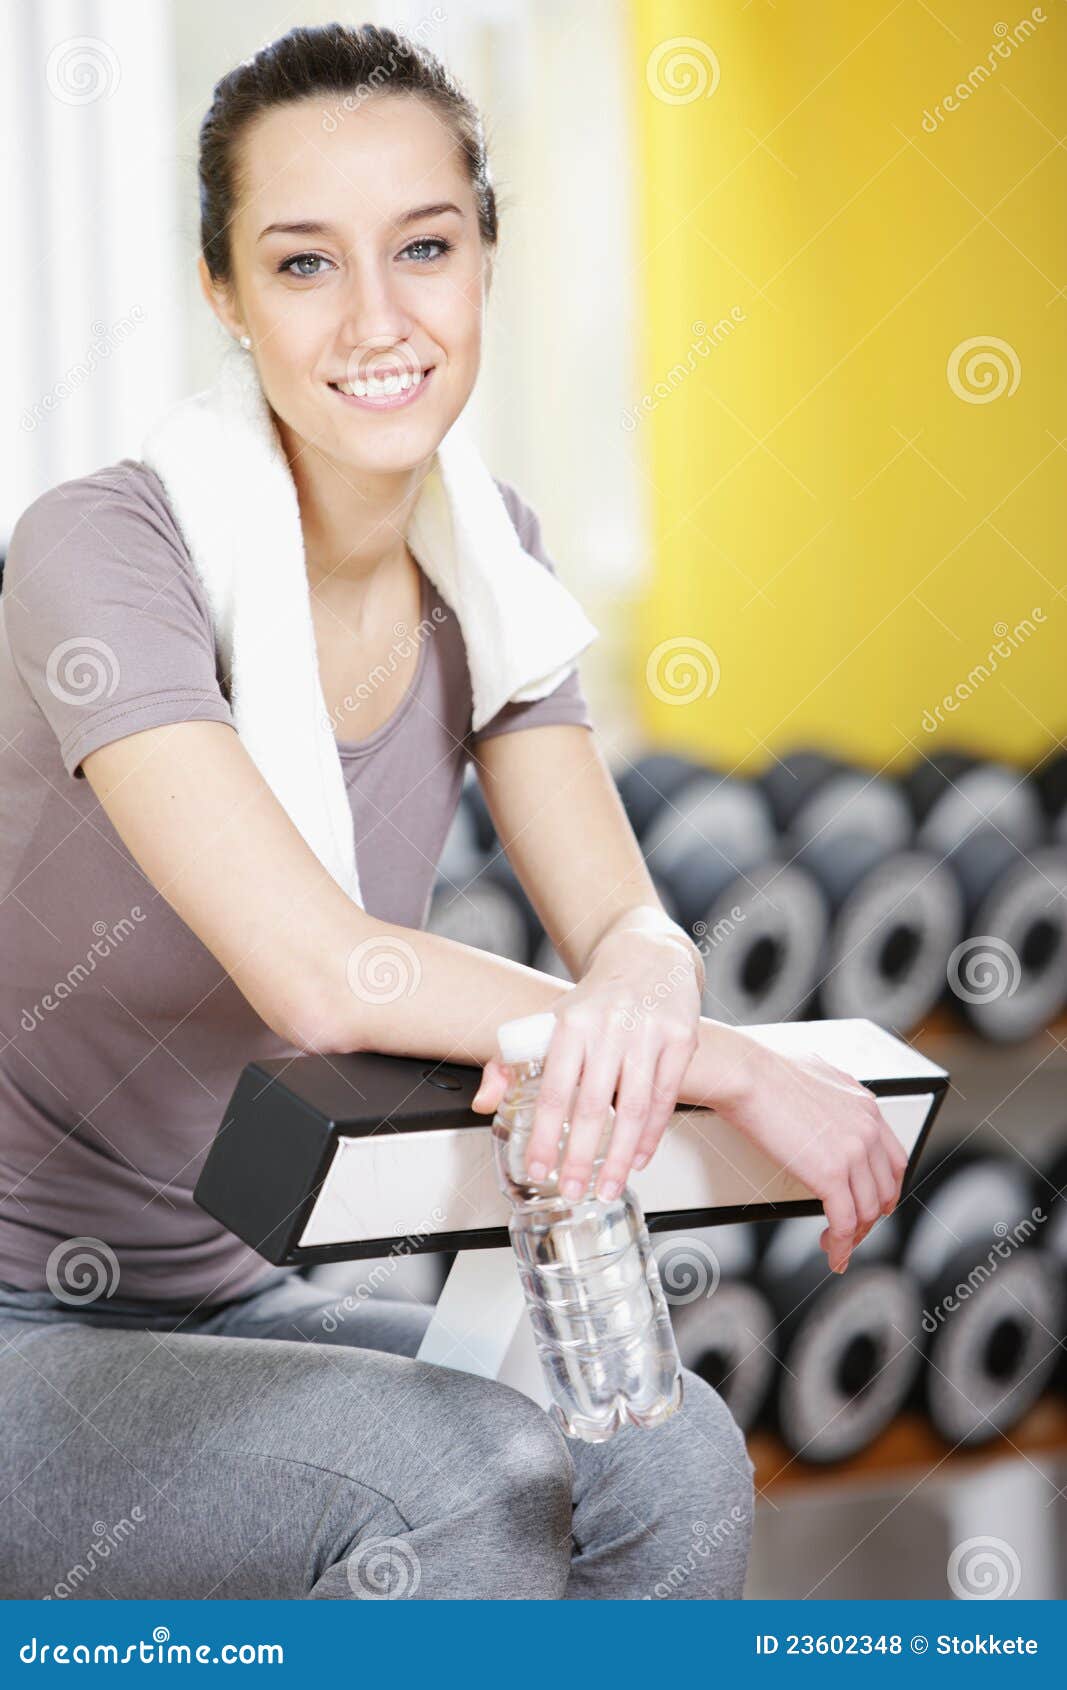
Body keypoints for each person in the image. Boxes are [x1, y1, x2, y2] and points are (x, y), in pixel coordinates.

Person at [0, 23, 905, 1601]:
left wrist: (651, 984)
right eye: (301, 264)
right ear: (222, 290)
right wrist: (723, 1061)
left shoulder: (491, 565)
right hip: (23, 1323)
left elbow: (624, 917)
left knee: (668, 1452)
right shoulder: (101, 552)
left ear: (486, 251)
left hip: (237, 1295)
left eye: (424, 245)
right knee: (455, 1482)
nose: (377, 319)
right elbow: (324, 972)